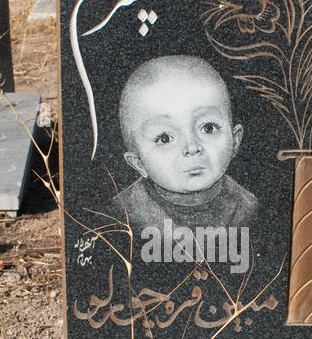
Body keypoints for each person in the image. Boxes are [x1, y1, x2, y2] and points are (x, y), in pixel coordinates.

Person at [110, 56, 259, 234]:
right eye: (164, 138)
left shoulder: (252, 209)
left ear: (235, 140)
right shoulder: (121, 216)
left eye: (208, 128)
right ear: (138, 163)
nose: (192, 147)